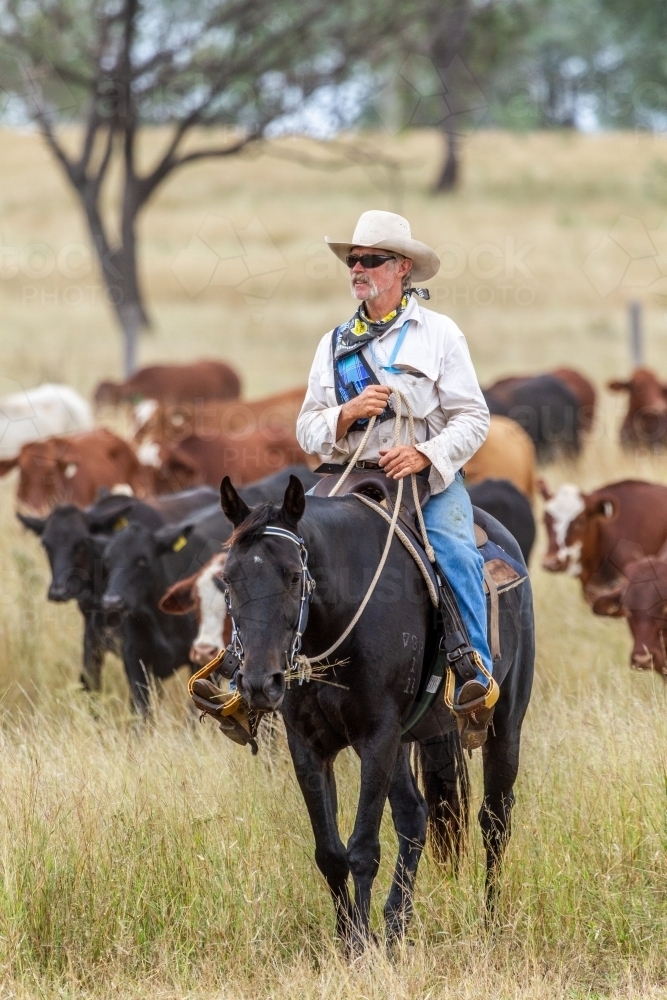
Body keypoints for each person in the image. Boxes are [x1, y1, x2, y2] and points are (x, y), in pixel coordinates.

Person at [296, 210, 498, 747]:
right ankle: (248, 674)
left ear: (402, 267)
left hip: (423, 480)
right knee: (278, 545)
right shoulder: (334, 343)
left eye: (372, 259)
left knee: (455, 549)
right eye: (353, 260)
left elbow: (474, 418)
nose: (358, 268)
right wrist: (345, 414)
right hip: (347, 477)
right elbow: (307, 428)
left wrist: (427, 455)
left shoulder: (439, 334)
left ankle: (475, 675)